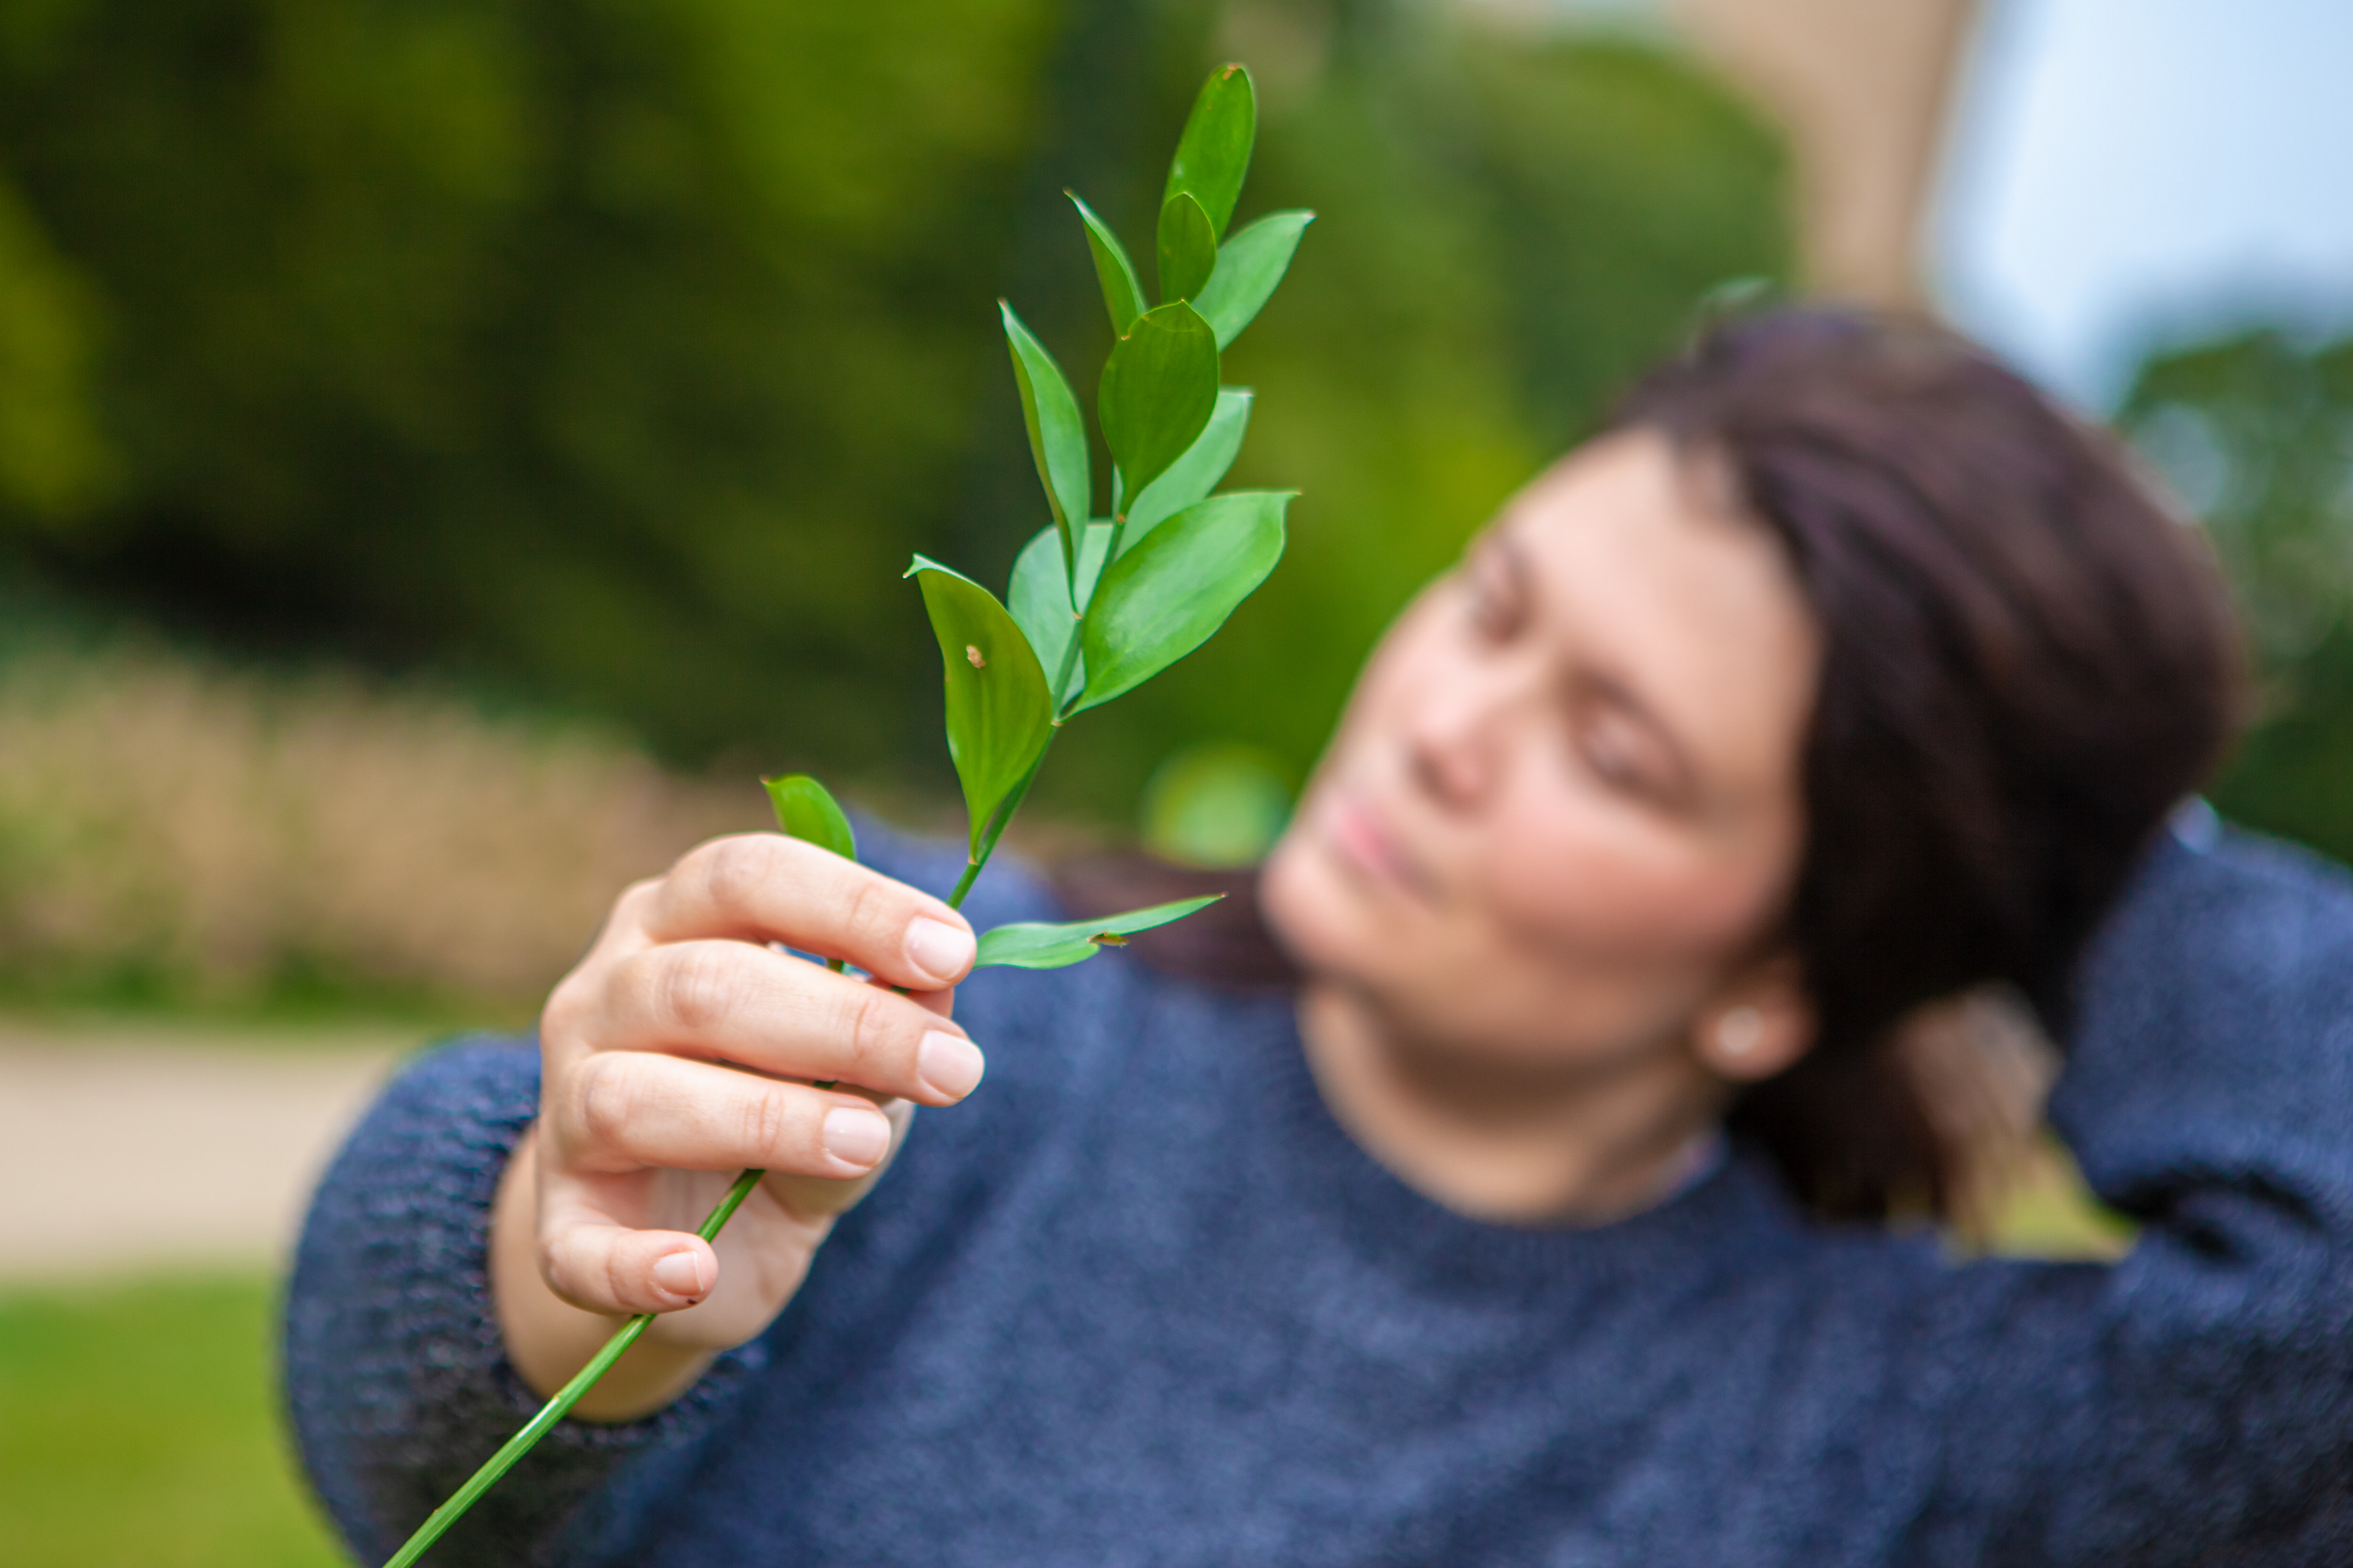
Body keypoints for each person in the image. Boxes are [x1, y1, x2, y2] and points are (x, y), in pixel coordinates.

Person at [285, 309, 2353, 1565]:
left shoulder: (1881, 1436)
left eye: (1613, 749)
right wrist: (558, 1268)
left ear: (1786, 973)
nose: (1447, 725)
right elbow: (373, 1423)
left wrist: (2082, 816)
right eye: (1490, 597)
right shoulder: (964, 1000)